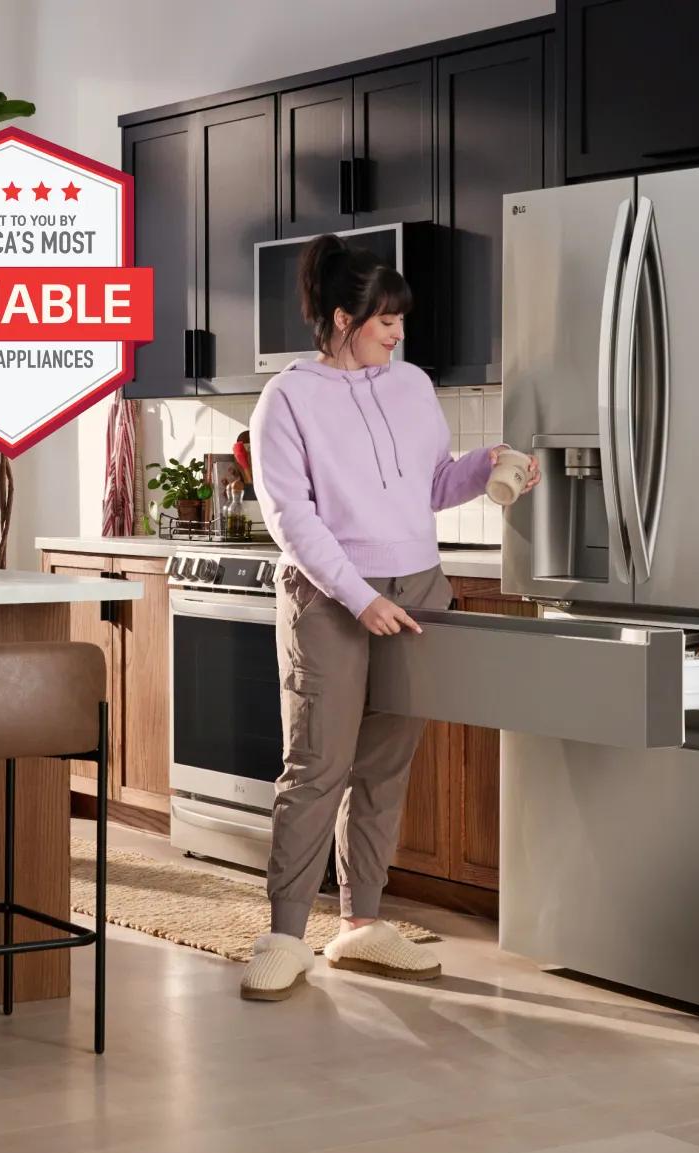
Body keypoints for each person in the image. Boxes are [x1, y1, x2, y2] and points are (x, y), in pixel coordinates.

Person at [242, 233, 539, 1001]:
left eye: (400, 322)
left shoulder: (410, 385)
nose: (398, 334)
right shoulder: (289, 397)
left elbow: (431, 484)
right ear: (342, 318)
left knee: (385, 766)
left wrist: (487, 467)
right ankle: (282, 934)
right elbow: (290, 517)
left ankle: (360, 925)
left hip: (418, 592)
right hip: (332, 598)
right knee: (318, 767)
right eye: (384, 323)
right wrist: (357, 595)